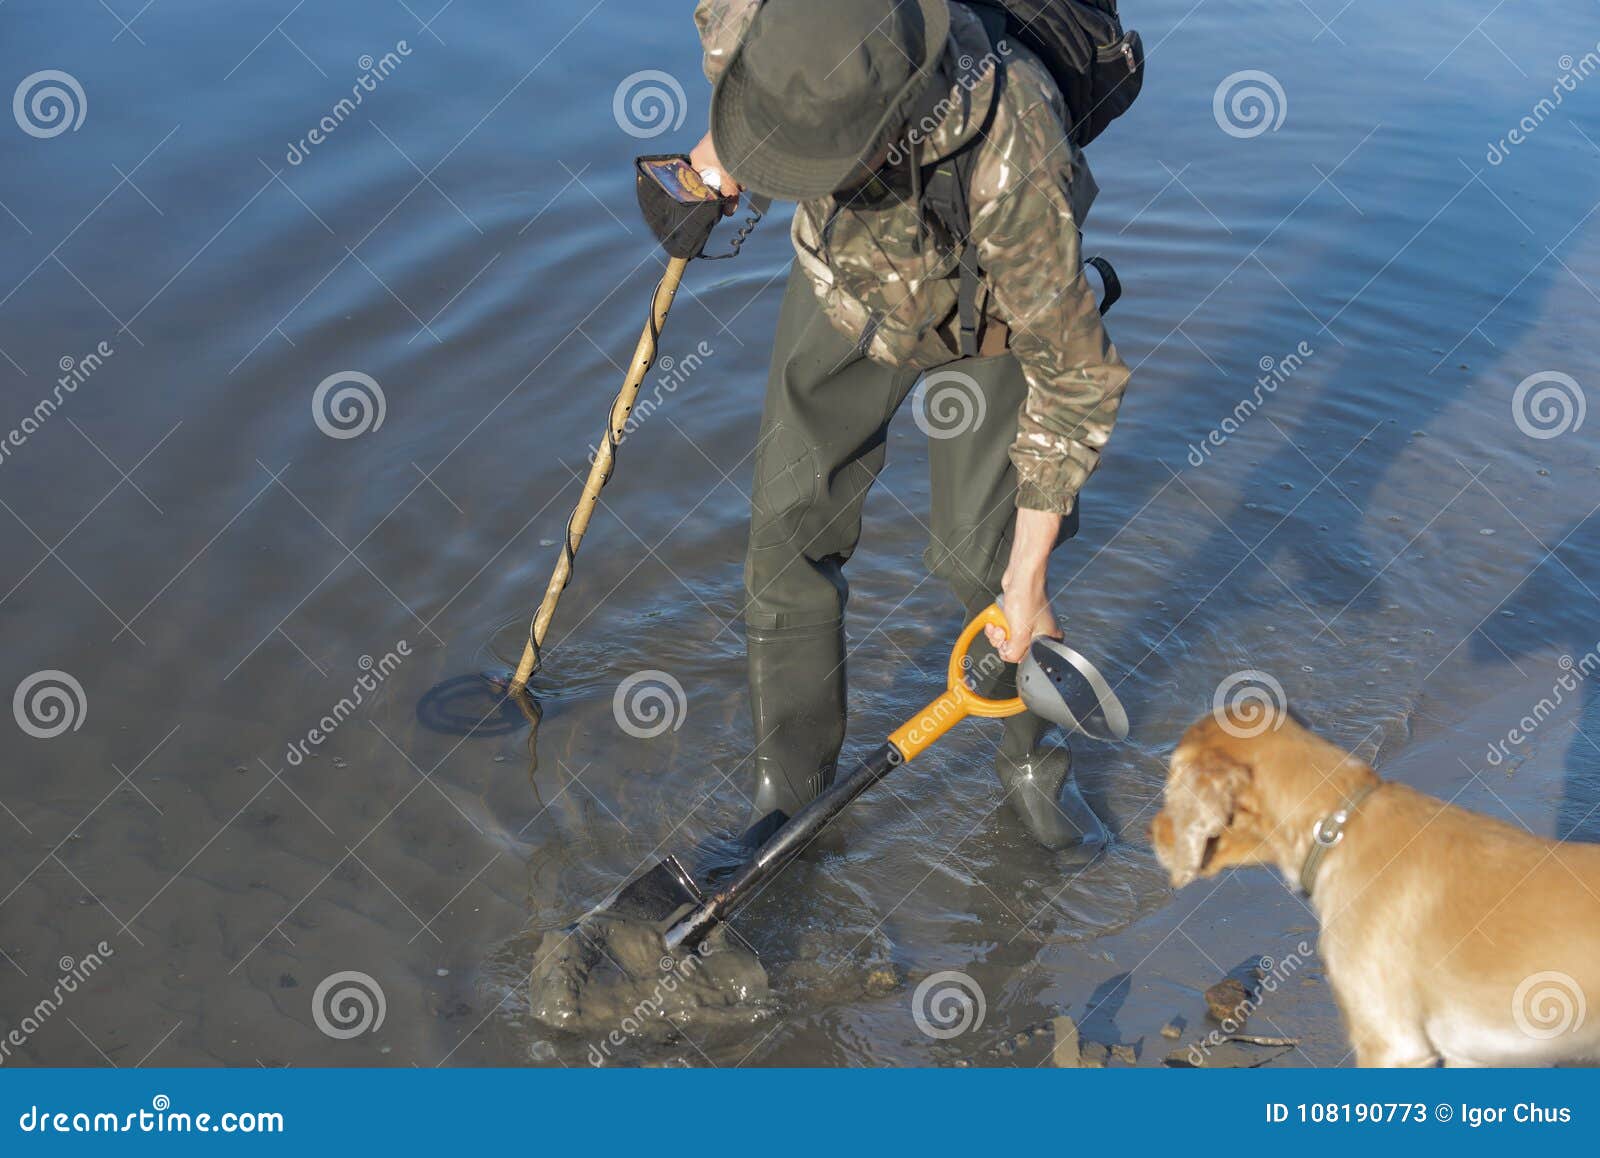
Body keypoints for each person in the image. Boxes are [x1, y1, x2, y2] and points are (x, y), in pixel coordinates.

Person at [691, 0, 1130, 854]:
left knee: (983, 555)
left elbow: (1075, 381)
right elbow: (729, 42)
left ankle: (1030, 760)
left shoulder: (1014, 154)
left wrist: (1029, 573)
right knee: (786, 526)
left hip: (983, 312)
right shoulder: (765, 22)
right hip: (845, 289)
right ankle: (788, 793)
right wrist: (727, 153)